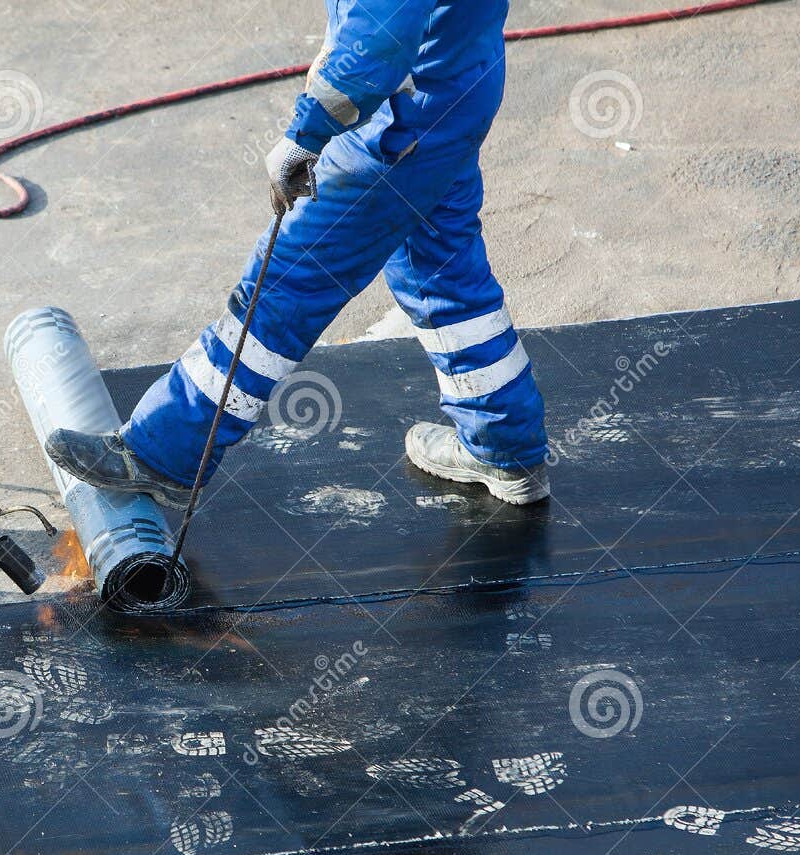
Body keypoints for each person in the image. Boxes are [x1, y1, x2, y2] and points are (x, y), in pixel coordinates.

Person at [47, 0, 549, 510]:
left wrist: (306, 133)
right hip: (451, 97)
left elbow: (383, 33)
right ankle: (506, 449)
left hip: (397, 126)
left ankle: (165, 453)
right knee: (443, 275)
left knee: (285, 282)